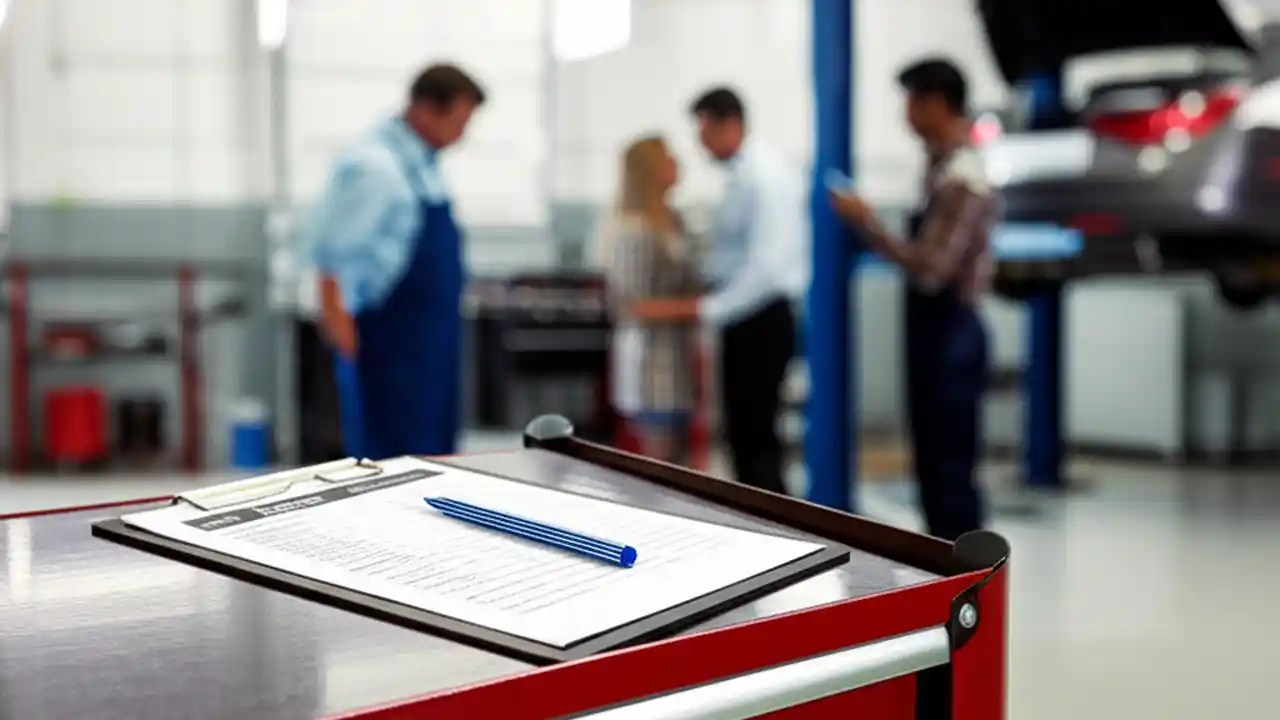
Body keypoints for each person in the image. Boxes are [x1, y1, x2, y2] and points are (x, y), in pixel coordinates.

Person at [829, 58, 998, 541]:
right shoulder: (938, 169)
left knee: (948, 470)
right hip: (936, 336)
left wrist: (866, 222)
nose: (906, 115)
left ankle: (970, 584)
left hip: (953, 336)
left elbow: (931, 269)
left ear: (937, 103)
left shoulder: (965, 178)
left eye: (912, 102)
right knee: (932, 462)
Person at [306, 63, 485, 459]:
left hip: (428, 341)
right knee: (388, 463)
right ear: (425, 108)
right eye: (458, 120)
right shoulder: (375, 165)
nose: (462, 135)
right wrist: (341, 331)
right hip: (389, 341)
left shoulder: (422, 166)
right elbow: (331, 254)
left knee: (430, 459)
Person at [680, 87, 810, 494]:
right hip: (744, 318)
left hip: (761, 318)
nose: (700, 142)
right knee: (743, 436)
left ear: (728, 123)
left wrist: (709, 308)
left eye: (704, 129)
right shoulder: (742, 175)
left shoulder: (768, 176)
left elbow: (768, 268)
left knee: (757, 441)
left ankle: (779, 538)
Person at [599, 136, 702, 464]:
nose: (678, 165)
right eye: (668, 159)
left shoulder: (674, 221)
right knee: (659, 462)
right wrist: (697, 308)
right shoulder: (631, 228)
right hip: (650, 360)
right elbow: (630, 304)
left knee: (682, 459)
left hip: (678, 357)